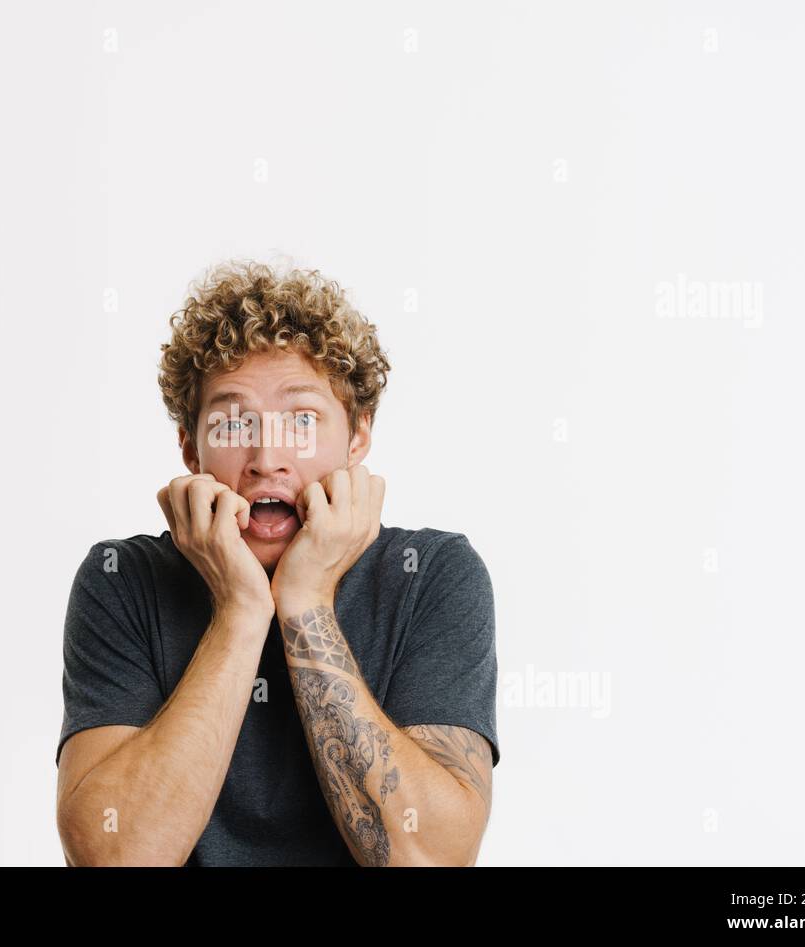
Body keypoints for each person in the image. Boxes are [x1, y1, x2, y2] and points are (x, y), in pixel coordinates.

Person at [55, 260, 500, 865]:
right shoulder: (123, 579)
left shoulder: (434, 574)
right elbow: (114, 856)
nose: (268, 457)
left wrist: (306, 600)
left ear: (359, 435)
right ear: (190, 446)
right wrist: (241, 609)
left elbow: (429, 858)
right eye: (233, 421)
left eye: (302, 419)